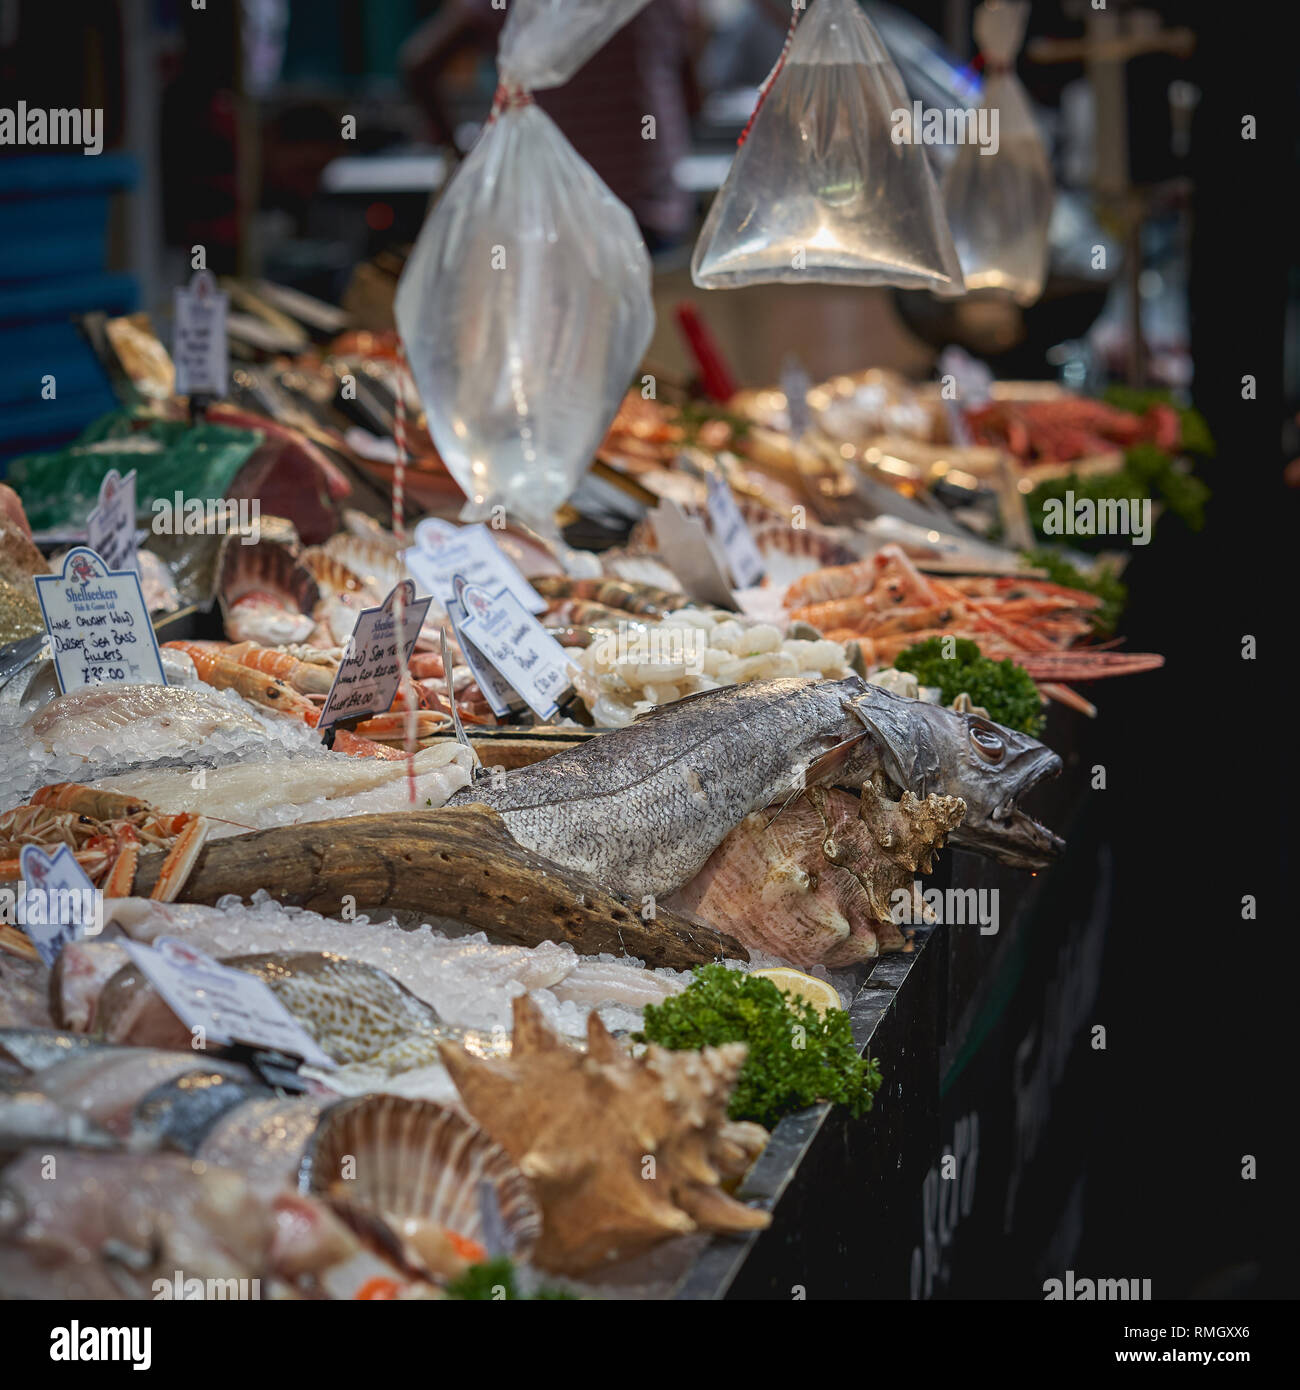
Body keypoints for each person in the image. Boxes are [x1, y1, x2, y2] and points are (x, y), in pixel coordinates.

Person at [401, 0, 700, 252]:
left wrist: (460, 151)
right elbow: (693, 95)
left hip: (552, 222)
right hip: (646, 216)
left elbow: (420, 63)